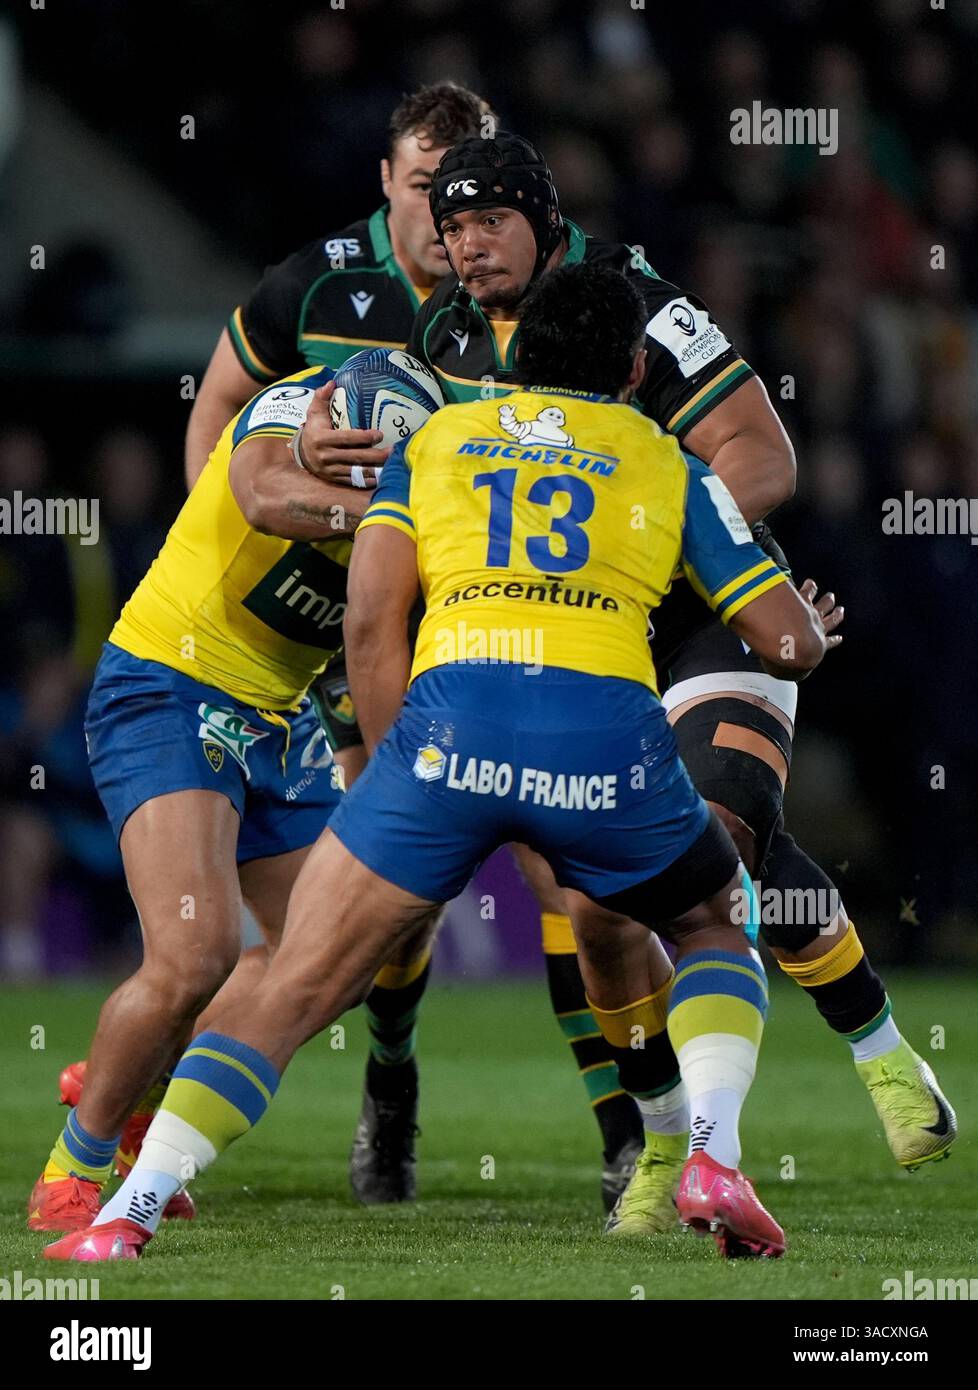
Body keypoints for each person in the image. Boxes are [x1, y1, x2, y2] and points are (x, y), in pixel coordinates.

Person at [44, 263, 845, 1265]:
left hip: (445, 737)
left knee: (297, 979)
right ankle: (708, 1152)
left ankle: (129, 1211)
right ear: (637, 368)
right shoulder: (663, 460)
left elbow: (373, 622)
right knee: (715, 917)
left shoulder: (436, 446)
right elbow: (781, 641)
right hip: (598, 742)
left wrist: (393, 773)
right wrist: (805, 633)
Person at [298, 134, 956, 1234]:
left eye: (487, 222)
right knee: (603, 911)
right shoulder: (445, 335)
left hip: (699, 611)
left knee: (724, 830)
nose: (464, 246)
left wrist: (634, 550)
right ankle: (657, 1141)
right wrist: (320, 437)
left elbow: (763, 454)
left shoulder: (645, 305)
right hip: (569, 642)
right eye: (450, 226)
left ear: (546, 224)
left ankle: (881, 1065)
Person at [27, 366, 369, 1234]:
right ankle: (78, 1159)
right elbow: (258, 492)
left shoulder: (456, 451)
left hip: (281, 717)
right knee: (193, 955)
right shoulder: (309, 398)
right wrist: (391, 508)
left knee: (339, 953)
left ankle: (133, 1086)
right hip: (170, 688)